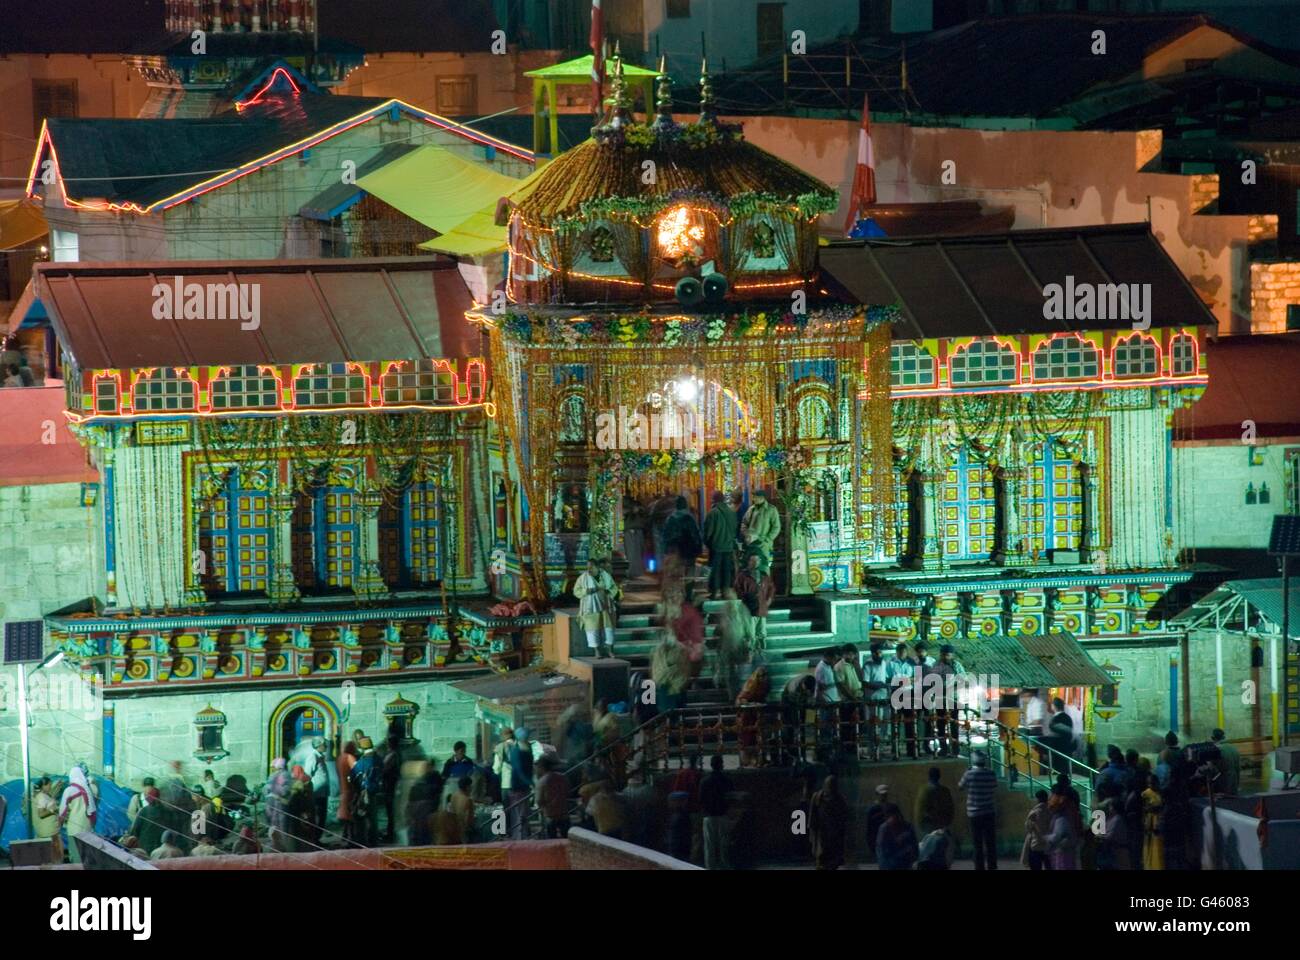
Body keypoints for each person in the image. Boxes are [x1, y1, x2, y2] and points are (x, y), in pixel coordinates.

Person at [959, 751, 999, 870]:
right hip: (989, 811)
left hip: (974, 813)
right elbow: (994, 786)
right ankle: (992, 866)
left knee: (977, 844)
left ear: (973, 761)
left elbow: (960, 787)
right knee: (990, 842)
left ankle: (979, 867)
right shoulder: (991, 773)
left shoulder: (969, 774)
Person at [574, 558, 621, 658]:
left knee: (609, 628)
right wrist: (587, 591)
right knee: (592, 629)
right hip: (591, 607)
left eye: (591, 567)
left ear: (597, 567)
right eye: (587, 567)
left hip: (606, 606)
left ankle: (610, 650)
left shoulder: (606, 576)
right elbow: (576, 591)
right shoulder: (583, 578)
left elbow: (614, 588)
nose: (589, 569)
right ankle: (597, 651)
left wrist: (608, 592)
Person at [661, 495, 703, 597]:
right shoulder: (690, 518)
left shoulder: (670, 519)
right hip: (689, 551)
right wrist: (698, 548)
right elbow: (696, 535)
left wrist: (666, 549)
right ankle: (688, 593)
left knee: (676, 574)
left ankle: (676, 594)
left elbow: (666, 535)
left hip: (675, 551)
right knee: (690, 572)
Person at [733, 551, 774, 650]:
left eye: (757, 560)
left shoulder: (763, 574)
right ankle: (750, 654)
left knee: (762, 633)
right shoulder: (742, 575)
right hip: (749, 608)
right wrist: (746, 598)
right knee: (750, 635)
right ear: (748, 561)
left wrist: (768, 600)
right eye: (753, 560)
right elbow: (737, 589)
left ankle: (762, 653)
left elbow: (771, 588)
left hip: (761, 607)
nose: (755, 562)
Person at [713, 587, 749, 701]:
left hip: (736, 646)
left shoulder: (740, 609)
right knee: (732, 673)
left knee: (735, 673)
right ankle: (733, 695)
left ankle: (736, 695)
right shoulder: (733, 609)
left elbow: (748, 627)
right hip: (729, 646)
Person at [808, 774, 850, 870]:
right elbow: (812, 818)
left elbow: (845, 818)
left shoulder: (840, 799)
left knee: (832, 864)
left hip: (834, 837)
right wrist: (812, 838)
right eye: (829, 785)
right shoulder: (817, 797)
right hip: (821, 835)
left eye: (833, 786)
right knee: (821, 862)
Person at [702, 491, 738, 600]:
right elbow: (735, 530)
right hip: (728, 547)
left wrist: (707, 543)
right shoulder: (732, 513)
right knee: (726, 570)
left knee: (716, 570)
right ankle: (725, 591)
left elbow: (708, 532)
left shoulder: (713, 513)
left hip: (716, 547)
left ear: (714, 500)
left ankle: (714, 592)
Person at [58, 764, 97, 864]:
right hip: (87, 827)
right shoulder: (88, 790)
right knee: (86, 855)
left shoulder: (69, 790)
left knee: (76, 856)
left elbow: (63, 810)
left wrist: (59, 824)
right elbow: (92, 809)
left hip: (74, 828)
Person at [700, 754, 733, 869]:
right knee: (724, 844)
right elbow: (731, 797)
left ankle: (710, 867)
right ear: (721, 765)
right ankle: (724, 866)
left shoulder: (704, 781)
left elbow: (701, 799)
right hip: (723, 814)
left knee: (709, 845)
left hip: (709, 816)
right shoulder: (726, 780)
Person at [886, 643, 918, 758]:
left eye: (903, 651)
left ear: (906, 652)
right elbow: (888, 678)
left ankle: (911, 749)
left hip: (909, 694)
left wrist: (905, 680)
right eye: (899, 651)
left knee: (909, 722)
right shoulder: (891, 663)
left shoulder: (912, 663)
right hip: (895, 693)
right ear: (896, 652)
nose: (901, 654)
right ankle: (895, 749)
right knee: (895, 722)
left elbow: (917, 678)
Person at [736, 665, 771, 767]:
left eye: (765, 676)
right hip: (747, 715)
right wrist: (752, 704)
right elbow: (740, 699)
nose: (764, 678)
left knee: (759, 737)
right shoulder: (751, 684)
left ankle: (760, 758)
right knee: (748, 738)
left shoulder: (766, 685)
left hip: (757, 715)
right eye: (762, 676)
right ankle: (748, 760)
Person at [861, 643, 890, 760]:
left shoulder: (883, 663)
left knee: (883, 724)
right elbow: (865, 682)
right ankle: (871, 750)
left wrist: (886, 685)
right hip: (872, 700)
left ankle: (881, 749)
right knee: (872, 724)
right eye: (877, 653)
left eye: (880, 652)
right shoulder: (867, 665)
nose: (879, 655)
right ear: (872, 654)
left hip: (883, 698)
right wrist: (879, 685)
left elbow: (885, 678)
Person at [741, 488, 780, 573]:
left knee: (764, 567)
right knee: (750, 567)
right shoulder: (751, 509)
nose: (753, 499)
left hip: (763, 544)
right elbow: (744, 523)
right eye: (753, 497)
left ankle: (765, 585)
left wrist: (767, 539)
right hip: (751, 543)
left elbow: (776, 527)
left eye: (755, 497)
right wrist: (746, 534)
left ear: (762, 498)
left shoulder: (771, 510)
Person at [507, 727, 535, 838]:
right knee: (520, 815)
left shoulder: (526, 749)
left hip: (523, 786)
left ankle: (524, 835)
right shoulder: (516, 751)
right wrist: (530, 782)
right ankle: (520, 837)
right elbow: (519, 770)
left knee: (524, 814)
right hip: (518, 786)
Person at [405, 767, 443, 846]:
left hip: (414, 825)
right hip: (424, 826)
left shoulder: (415, 787)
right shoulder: (434, 791)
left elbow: (408, 807)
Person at [914, 766, 955, 836]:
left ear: (929, 776)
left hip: (927, 825)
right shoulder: (944, 791)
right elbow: (950, 809)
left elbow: (921, 812)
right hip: (934, 825)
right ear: (939, 776)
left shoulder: (923, 790)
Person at [536, 756, 570, 839]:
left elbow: (539, 800)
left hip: (550, 815)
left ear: (542, 767)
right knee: (566, 839)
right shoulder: (562, 777)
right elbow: (567, 792)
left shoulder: (542, 781)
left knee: (551, 841)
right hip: (564, 813)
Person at [1046, 789, 1080, 870]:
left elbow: (1057, 836)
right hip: (1065, 850)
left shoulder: (1061, 819)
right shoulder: (1069, 815)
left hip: (1062, 851)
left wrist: (1047, 838)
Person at [31, 778, 64, 862]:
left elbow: (49, 799)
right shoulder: (41, 797)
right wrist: (54, 809)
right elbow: (41, 814)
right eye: (49, 784)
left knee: (45, 859)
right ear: (43, 786)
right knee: (55, 858)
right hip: (50, 833)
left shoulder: (38, 795)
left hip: (42, 832)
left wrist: (57, 787)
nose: (50, 786)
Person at [864, 784, 898, 863]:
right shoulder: (872, 810)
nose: (884, 797)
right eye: (882, 795)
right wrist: (871, 846)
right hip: (878, 843)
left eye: (885, 794)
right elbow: (869, 830)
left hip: (891, 843)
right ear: (877, 795)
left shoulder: (893, 808)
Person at [1021, 790, 1051, 871]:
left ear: (1038, 799)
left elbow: (1028, 828)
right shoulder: (1052, 810)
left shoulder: (1034, 812)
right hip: (1050, 845)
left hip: (1036, 845)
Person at [336, 740, 359, 843]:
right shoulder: (350, 757)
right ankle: (351, 838)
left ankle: (344, 834)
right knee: (350, 812)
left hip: (342, 786)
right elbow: (357, 770)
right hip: (350, 787)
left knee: (344, 810)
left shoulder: (340, 758)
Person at [1211, 728, 1240, 796]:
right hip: (1234, 784)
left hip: (1223, 785)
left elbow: (1213, 769)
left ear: (1212, 738)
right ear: (1223, 737)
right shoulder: (1233, 748)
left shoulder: (1216, 750)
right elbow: (1238, 768)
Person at [491, 728, 517, 803]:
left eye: (501, 734)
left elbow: (496, 768)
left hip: (507, 782)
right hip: (520, 783)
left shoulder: (501, 747)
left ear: (506, 735)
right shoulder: (519, 745)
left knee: (508, 808)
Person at [449, 776, 475, 842]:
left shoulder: (454, 796)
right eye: (471, 786)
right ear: (467, 787)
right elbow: (469, 821)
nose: (472, 788)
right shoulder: (468, 800)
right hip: (463, 833)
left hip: (453, 828)